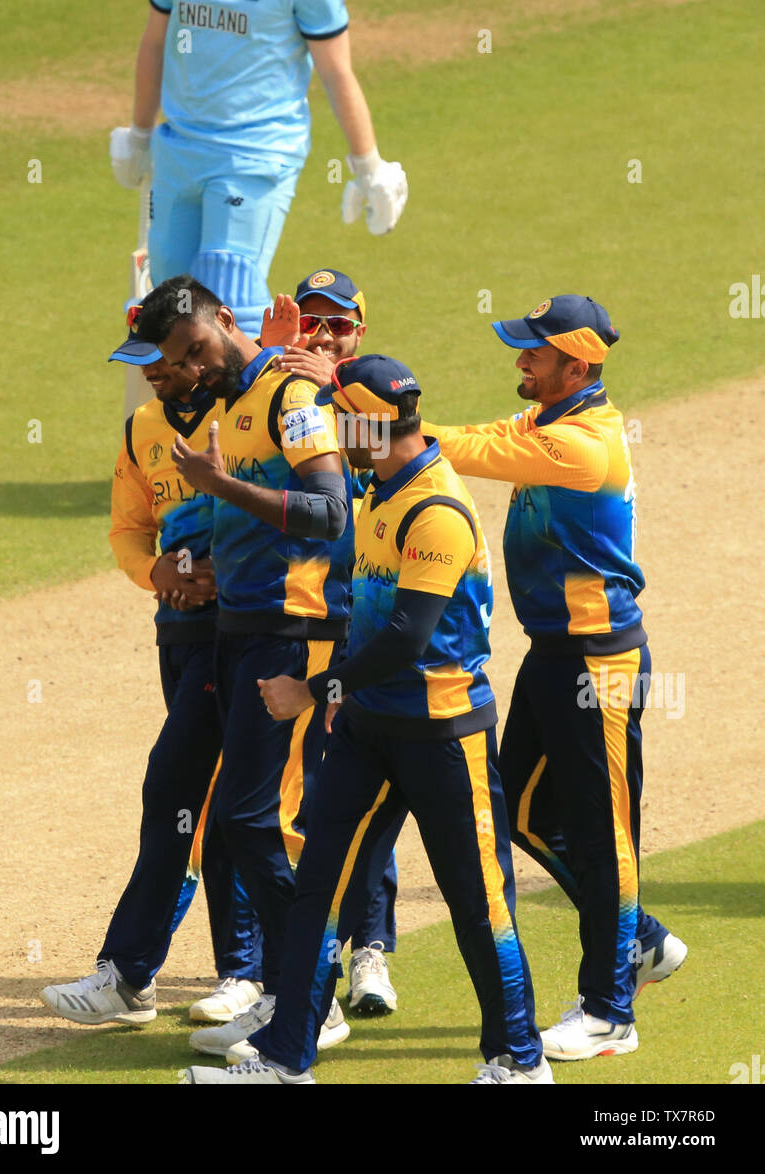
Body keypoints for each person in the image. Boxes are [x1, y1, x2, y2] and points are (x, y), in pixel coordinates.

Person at [179, 355, 550, 1085]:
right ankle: (286, 1060)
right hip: (367, 728)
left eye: (336, 415)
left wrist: (312, 690)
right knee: (317, 888)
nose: (326, 428)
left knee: (478, 903)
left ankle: (518, 1062)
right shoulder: (376, 488)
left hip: (443, 736)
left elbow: (406, 638)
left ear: (369, 424)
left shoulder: (436, 510)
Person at [423, 294, 687, 1062]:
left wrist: (375, 420)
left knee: (607, 839)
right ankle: (638, 940)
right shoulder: (545, 426)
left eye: (532, 353)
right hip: (553, 653)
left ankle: (609, 1014)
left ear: (576, 366)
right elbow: (471, 436)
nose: (519, 361)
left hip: (597, 662)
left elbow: (457, 452)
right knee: (523, 813)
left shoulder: (581, 445)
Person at [135, 273, 358, 1058]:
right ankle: (280, 990)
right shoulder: (229, 403)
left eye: (195, 348)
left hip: (293, 632)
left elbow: (330, 512)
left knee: (254, 818)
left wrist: (222, 483)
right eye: (175, 359)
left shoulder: (289, 397)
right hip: (240, 628)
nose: (189, 367)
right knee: (236, 819)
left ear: (225, 321)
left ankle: (313, 994)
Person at [40, 315, 263, 1027]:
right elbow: (126, 528)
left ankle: (211, 972)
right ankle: (207, 976)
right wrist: (156, 569)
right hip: (181, 633)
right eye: (141, 360)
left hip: (244, 632)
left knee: (206, 795)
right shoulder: (141, 426)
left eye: (162, 359)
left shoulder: (244, 409)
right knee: (196, 799)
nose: (151, 371)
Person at [109, 0, 408, 335]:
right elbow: (154, 42)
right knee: (167, 307)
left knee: (226, 306)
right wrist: (138, 133)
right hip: (179, 147)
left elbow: (338, 74)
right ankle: (171, 419)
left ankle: (246, 417)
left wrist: (369, 165)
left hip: (256, 152)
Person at [271, 268, 399, 1016]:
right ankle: (283, 958)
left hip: (365, 632)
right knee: (297, 802)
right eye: (310, 324)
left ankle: (369, 953)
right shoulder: (275, 396)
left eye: (339, 324)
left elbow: (387, 467)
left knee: (370, 796)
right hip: (291, 627)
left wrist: (340, 382)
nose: (323, 336)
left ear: (360, 328)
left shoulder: (371, 395)